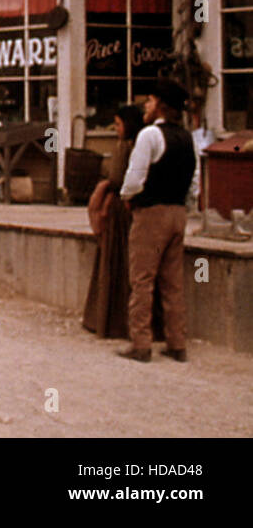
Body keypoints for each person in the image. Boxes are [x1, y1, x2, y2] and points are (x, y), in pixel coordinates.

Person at [118, 78, 197, 363]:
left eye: (150, 101)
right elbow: (194, 182)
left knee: (142, 279)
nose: (145, 107)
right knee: (173, 282)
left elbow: (134, 178)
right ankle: (177, 343)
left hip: (151, 212)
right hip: (178, 213)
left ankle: (140, 342)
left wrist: (128, 196)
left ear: (161, 105)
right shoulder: (188, 137)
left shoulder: (149, 135)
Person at [83, 104, 147, 339]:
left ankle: (111, 321)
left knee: (115, 264)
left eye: (119, 124)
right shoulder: (140, 144)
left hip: (121, 211)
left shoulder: (125, 147)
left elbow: (117, 177)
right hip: (134, 208)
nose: (116, 129)